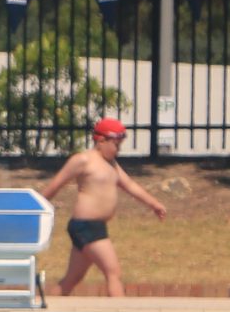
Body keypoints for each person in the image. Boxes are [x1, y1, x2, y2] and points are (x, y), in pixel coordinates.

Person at [43, 116, 168, 298]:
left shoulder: (112, 165)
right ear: (101, 140)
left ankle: (47, 310)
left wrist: (154, 204)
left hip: (96, 226)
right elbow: (56, 185)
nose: (118, 150)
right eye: (115, 145)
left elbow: (130, 185)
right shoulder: (83, 160)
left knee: (72, 278)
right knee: (113, 272)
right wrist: (34, 208)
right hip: (85, 225)